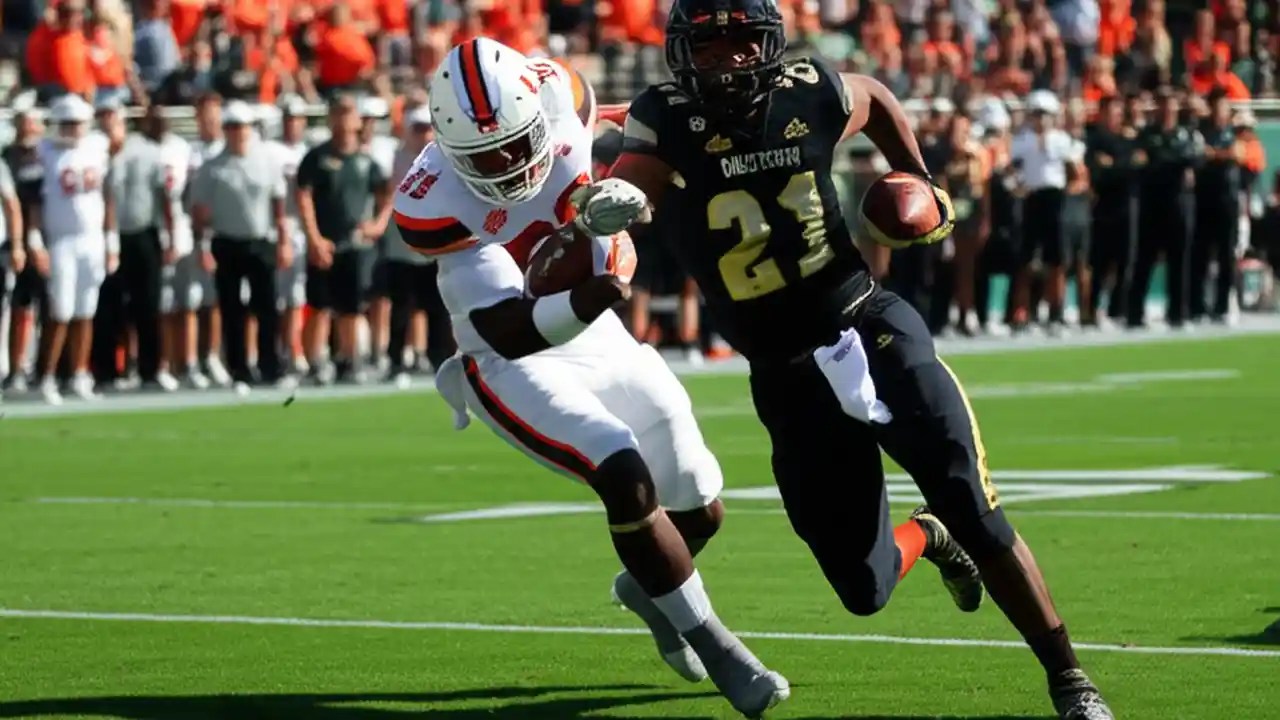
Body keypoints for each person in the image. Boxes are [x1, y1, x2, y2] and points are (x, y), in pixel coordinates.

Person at [579, 1, 1114, 717]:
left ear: (769, 42)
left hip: (867, 324)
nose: (732, 59)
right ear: (683, 54)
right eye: (711, 47)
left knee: (976, 505)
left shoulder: (812, 87)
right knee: (865, 592)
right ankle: (928, 534)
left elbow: (878, 96)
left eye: (743, 42)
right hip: (784, 373)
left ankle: (1070, 680)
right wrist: (616, 202)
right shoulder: (665, 117)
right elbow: (636, 181)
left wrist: (919, 176)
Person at [392, 37, 789, 718]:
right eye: (487, 158)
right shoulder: (433, 202)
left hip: (597, 331)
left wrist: (624, 195)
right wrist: (607, 282)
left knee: (699, 504)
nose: (510, 166)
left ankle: (648, 589)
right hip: (507, 359)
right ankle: (718, 644)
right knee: (621, 470)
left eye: (518, 146)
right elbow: (512, 327)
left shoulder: (564, 98)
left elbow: (625, 137)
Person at [189, 101, 291, 391]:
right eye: (231, 127)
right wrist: (202, 247)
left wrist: (283, 242)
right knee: (232, 310)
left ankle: (270, 365)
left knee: (267, 307)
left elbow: (279, 206)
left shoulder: (266, 161)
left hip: (260, 241)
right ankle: (239, 369)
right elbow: (199, 213)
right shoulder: (212, 167)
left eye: (242, 127)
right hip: (226, 243)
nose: (237, 133)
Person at [296, 95, 391, 385]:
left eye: (348, 113)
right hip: (325, 242)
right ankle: (315, 363)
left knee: (351, 307)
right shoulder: (317, 157)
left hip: (355, 244)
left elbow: (387, 193)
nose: (343, 120)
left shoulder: (365, 161)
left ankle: (350, 360)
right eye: (338, 113)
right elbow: (303, 195)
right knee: (320, 305)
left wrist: (378, 224)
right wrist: (313, 238)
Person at [32, 94, 118, 404]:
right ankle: (48, 376)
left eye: (77, 123)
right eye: (66, 124)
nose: (72, 130)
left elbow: (108, 196)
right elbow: (34, 203)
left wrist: (112, 240)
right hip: (61, 240)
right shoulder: (45, 152)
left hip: (92, 239)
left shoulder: (97, 148)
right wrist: (36, 241)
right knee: (61, 311)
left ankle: (80, 373)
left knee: (86, 311)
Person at [95, 103, 178, 392]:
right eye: (102, 118)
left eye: (111, 117)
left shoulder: (144, 152)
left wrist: (170, 235)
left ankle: (151, 368)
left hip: (142, 234)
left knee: (148, 304)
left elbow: (163, 196)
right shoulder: (91, 153)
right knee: (108, 306)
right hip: (103, 238)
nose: (107, 124)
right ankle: (106, 371)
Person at [382, 103, 454, 385]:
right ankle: (397, 360)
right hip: (401, 246)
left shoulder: (443, 158)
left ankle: (441, 359)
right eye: (418, 129)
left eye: (427, 128)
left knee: (437, 307)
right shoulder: (394, 157)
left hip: (434, 245)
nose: (424, 134)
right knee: (400, 308)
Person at [1011, 90, 1081, 335]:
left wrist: (1069, 190)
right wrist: (1018, 185)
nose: (1041, 120)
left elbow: (1074, 171)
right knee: (1026, 261)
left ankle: (1056, 313)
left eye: (1045, 114)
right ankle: (1022, 313)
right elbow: (1013, 169)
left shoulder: (1061, 140)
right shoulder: (1021, 140)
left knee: (1057, 262)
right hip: (1032, 199)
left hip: (1055, 199)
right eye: (1036, 114)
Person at [1130, 89, 1199, 329]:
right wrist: (1172, 161)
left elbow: (1194, 158)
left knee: (1179, 260)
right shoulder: (1147, 135)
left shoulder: (1185, 134)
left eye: (1171, 105)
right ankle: (1134, 314)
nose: (1168, 110)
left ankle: (1178, 313)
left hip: (1179, 205)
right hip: (1152, 206)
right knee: (1144, 260)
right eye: (1163, 105)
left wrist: (1165, 160)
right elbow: (1145, 163)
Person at [155, 100, 209, 388]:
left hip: (183, 230)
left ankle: (189, 362)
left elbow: (192, 196)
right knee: (165, 304)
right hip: (158, 232)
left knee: (189, 301)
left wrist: (199, 238)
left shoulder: (183, 149)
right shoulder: (146, 151)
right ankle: (164, 363)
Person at [262, 95, 311, 375]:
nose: (293, 124)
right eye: (289, 119)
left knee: (296, 296)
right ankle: (277, 350)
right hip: (276, 228)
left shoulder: (308, 149)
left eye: (297, 118)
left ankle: (294, 349)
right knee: (276, 297)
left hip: (300, 229)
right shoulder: (271, 151)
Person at [186, 92, 232, 387]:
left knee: (216, 299)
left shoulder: (228, 151)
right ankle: (189, 360)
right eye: (206, 117)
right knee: (188, 300)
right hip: (187, 232)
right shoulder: (189, 152)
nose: (211, 123)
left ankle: (214, 355)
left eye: (215, 117)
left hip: (218, 233)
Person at [1084, 94, 1139, 327]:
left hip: (1127, 207)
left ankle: (1119, 310)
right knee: (1100, 263)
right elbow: (1097, 173)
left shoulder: (1129, 139)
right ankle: (1094, 311)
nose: (1114, 116)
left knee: (1125, 261)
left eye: (1117, 111)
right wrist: (1123, 166)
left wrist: (1115, 165)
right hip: (1103, 208)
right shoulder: (1095, 140)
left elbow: (1137, 167)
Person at [1190, 89, 1240, 324]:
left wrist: (1216, 155)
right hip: (1205, 201)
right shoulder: (1201, 132)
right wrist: (1222, 155)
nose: (1222, 112)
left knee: (1226, 257)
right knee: (1200, 255)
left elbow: (1237, 154)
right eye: (1219, 107)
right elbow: (1201, 156)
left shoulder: (1234, 132)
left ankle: (1222, 306)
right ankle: (1197, 306)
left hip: (1228, 202)